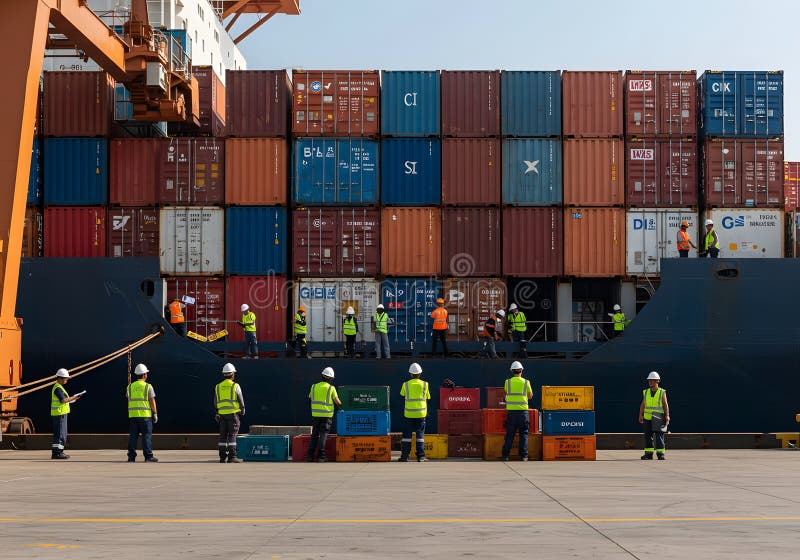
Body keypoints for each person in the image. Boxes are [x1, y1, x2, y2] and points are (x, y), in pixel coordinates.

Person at [307, 367, 341, 462]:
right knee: (323, 435)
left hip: (316, 415)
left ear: (322, 376)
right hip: (327, 416)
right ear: (331, 378)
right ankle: (321, 456)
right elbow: (337, 402)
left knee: (314, 435)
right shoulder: (331, 388)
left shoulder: (313, 386)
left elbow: (310, 399)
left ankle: (310, 456)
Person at [399, 363, 431, 462]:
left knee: (407, 436)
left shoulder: (406, 384)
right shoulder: (425, 384)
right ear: (420, 373)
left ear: (410, 374)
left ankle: (404, 456)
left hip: (408, 414)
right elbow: (427, 397)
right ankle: (421, 456)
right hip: (421, 414)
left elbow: (402, 394)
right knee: (420, 436)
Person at [126, 363, 158, 463]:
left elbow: (129, 399)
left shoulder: (129, 387)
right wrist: (155, 413)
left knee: (133, 436)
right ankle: (148, 456)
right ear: (144, 375)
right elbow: (152, 401)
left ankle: (131, 457)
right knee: (146, 436)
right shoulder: (148, 386)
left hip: (133, 416)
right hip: (145, 415)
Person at [501, 361, 533, 461]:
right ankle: (524, 456)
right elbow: (530, 396)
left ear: (512, 371)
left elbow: (506, 392)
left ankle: (505, 455)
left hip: (511, 413)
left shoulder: (508, 382)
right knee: (524, 434)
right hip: (523, 412)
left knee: (510, 434)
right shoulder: (526, 382)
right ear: (521, 371)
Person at [215, 363, 245, 463]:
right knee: (232, 435)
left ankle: (222, 457)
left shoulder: (218, 386)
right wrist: (243, 409)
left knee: (222, 435)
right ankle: (232, 456)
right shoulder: (235, 386)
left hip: (221, 414)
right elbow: (240, 399)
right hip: (233, 414)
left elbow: (215, 401)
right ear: (232, 374)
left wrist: (217, 412)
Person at [50, 368, 82, 460]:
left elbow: (64, 401)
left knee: (61, 433)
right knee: (60, 433)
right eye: (65, 378)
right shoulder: (58, 388)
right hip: (60, 414)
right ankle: (57, 453)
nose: (66, 380)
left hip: (61, 413)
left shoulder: (59, 388)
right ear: (60, 378)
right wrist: (74, 397)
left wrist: (73, 399)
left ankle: (58, 451)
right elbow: (63, 400)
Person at [638, 371, 670, 460]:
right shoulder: (646, 392)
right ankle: (648, 454)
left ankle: (660, 454)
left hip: (659, 416)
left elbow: (665, 404)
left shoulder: (661, 392)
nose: (650, 382)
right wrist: (640, 415)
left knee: (659, 435)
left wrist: (667, 415)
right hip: (647, 417)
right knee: (648, 435)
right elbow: (643, 404)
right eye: (649, 380)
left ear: (657, 381)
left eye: (652, 380)